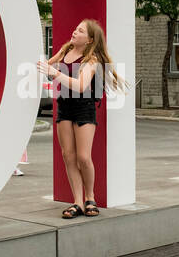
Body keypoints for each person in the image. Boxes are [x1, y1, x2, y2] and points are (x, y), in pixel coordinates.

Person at [37, 19, 124, 219]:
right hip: (65, 106)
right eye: (75, 28)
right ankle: (77, 202)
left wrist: (55, 72)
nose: (74, 32)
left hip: (84, 107)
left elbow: (81, 85)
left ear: (90, 39)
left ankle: (90, 197)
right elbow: (45, 68)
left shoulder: (91, 59)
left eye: (80, 31)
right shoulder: (65, 50)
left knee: (84, 157)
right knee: (68, 155)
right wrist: (46, 66)